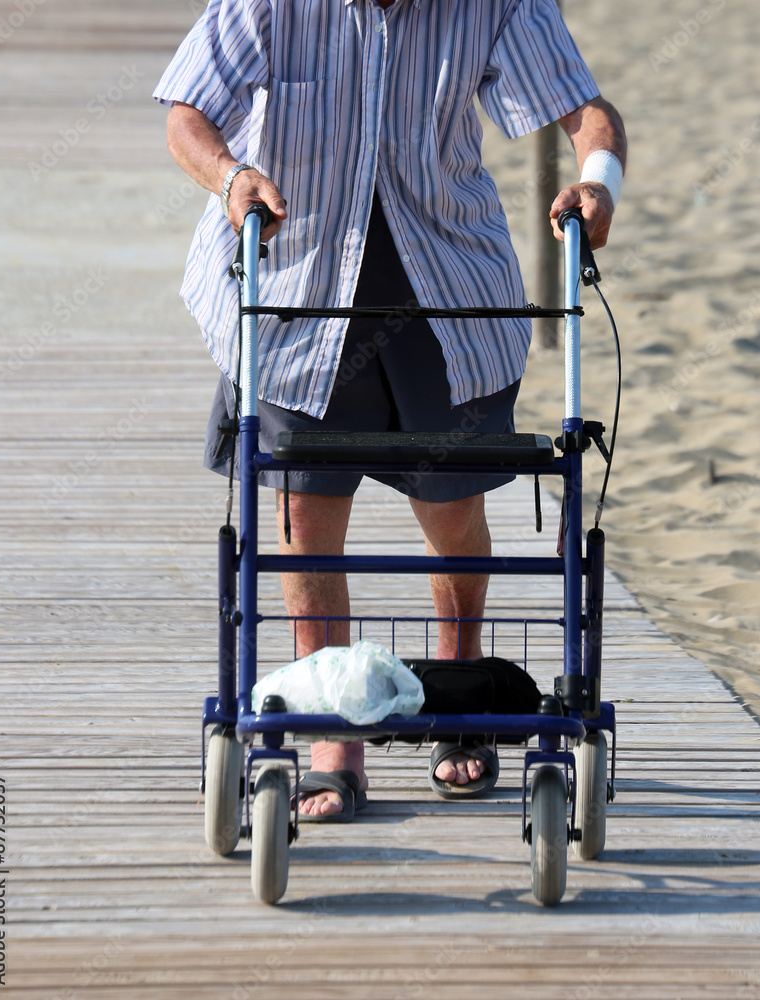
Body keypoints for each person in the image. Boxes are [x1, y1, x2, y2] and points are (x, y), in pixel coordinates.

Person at [155, 0, 626, 820]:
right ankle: (335, 737)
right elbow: (187, 114)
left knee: (449, 506)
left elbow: (584, 110)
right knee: (307, 509)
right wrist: (233, 178)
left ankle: (460, 688)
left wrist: (596, 181)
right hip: (295, 278)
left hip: (441, 277)